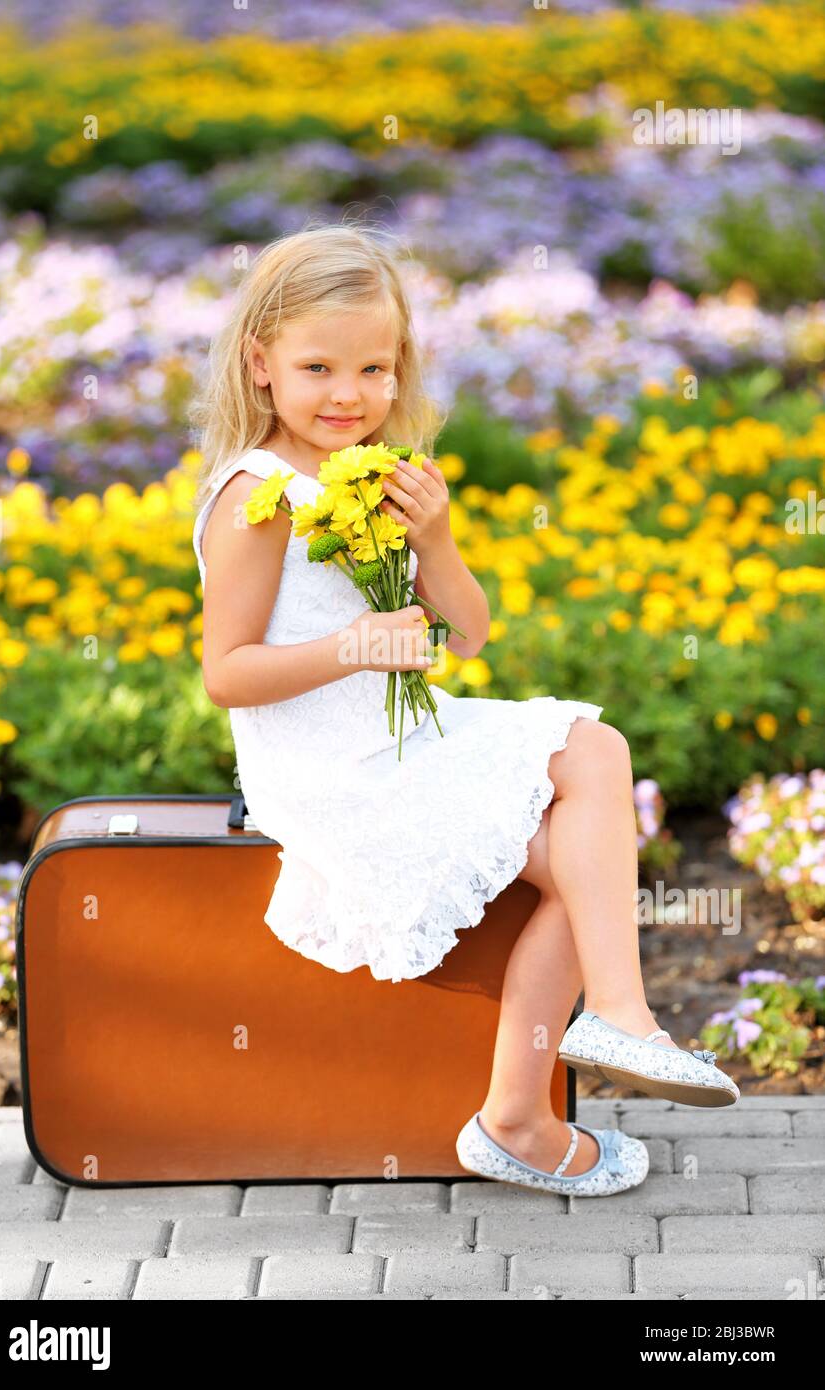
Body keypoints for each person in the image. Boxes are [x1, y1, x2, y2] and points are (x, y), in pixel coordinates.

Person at [190, 222, 739, 1197]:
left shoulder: (374, 474)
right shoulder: (257, 498)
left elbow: (472, 634)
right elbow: (225, 673)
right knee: (589, 850)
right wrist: (353, 645)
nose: (349, 393)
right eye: (318, 366)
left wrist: (433, 537)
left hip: (406, 737)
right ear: (260, 362)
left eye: (374, 366)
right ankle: (521, 1113)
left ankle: (612, 1018)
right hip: (332, 775)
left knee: (595, 756)